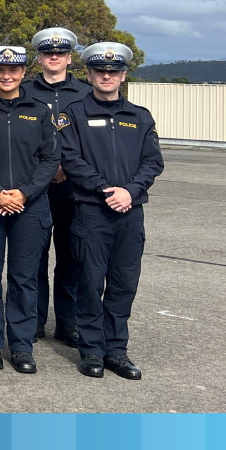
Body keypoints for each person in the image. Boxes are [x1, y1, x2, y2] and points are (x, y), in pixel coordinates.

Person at [57, 42, 163, 380]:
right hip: (91, 211)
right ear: (88, 74)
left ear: (123, 75)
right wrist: (106, 190)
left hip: (129, 213)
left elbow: (152, 162)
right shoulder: (72, 114)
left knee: (123, 284)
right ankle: (91, 351)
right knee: (89, 283)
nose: (106, 75)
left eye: (113, 71)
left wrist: (129, 191)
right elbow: (71, 160)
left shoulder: (140, 117)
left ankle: (116, 350)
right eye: (100, 71)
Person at [0, 46, 59, 373]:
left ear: (23, 72)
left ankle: (21, 346)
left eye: (13, 71)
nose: (7, 76)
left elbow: (50, 159)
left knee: (24, 278)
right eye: (0, 70)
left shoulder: (39, 110)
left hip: (29, 207)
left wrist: (24, 193)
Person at [24, 27, 91, 345]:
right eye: (48, 53)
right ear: (39, 57)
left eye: (60, 53)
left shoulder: (85, 93)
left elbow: (92, 142)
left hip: (72, 188)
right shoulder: (23, 91)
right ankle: (34, 320)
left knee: (71, 256)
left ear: (69, 57)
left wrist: (65, 167)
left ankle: (68, 322)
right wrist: (45, 170)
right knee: (33, 255)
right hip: (34, 186)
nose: (54, 57)